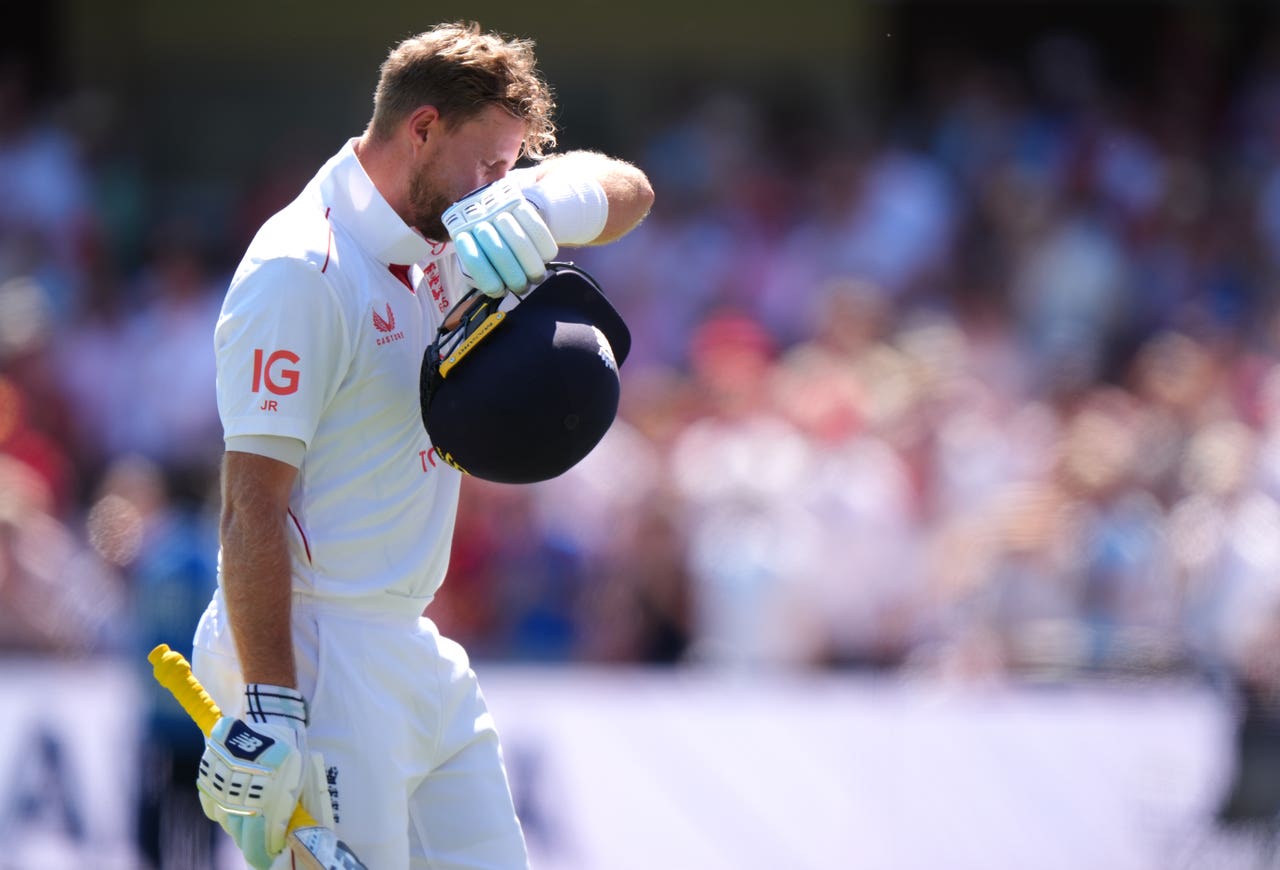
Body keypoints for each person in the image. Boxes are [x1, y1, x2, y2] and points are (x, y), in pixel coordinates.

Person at [187, 21, 653, 870]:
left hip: (408, 638)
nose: (498, 187)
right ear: (424, 128)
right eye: (490, 167)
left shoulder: (463, 215)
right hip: (314, 647)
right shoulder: (302, 268)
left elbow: (633, 193)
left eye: (512, 169)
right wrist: (271, 705)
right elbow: (249, 508)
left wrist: (542, 204)